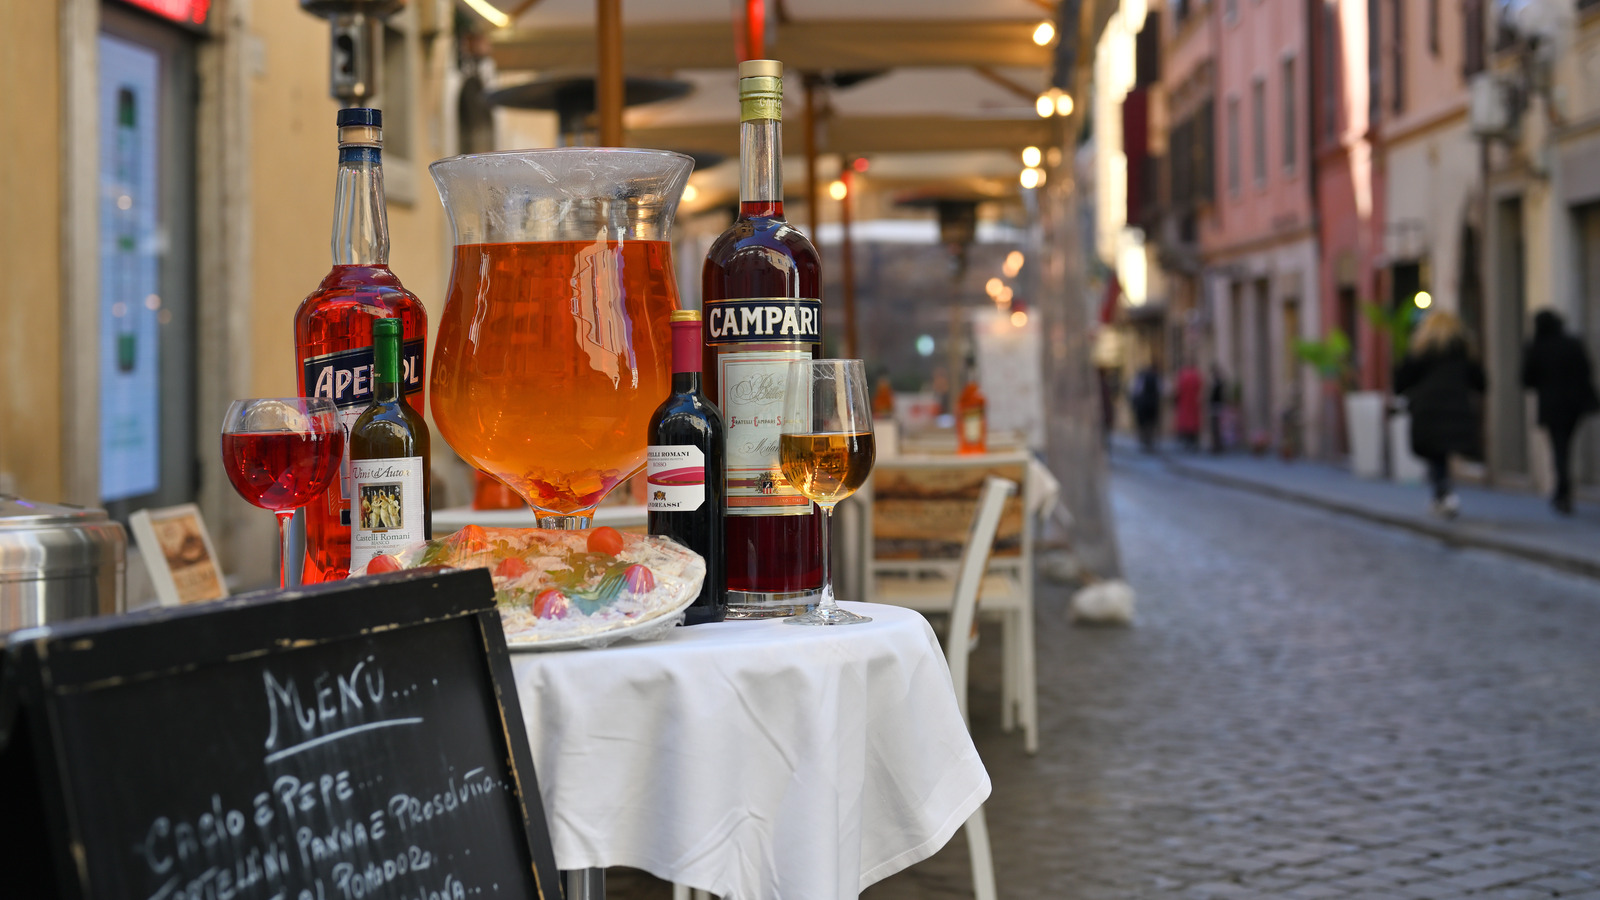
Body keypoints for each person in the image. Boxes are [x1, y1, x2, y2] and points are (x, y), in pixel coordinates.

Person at [1394, 310, 1486, 518]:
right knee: (1441, 453)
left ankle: (1442, 492)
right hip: (1456, 408)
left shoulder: (1421, 350)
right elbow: (1480, 381)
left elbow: (1402, 380)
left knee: (1436, 454)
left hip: (1427, 410)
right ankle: (1442, 493)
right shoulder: (1463, 351)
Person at [1521, 309, 1600, 515]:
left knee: (1559, 448)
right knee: (1565, 446)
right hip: (1573, 405)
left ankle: (1562, 491)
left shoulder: (1537, 347)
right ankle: (1563, 490)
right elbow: (1586, 370)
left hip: (1553, 406)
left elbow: (1527, 379)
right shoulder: (1572, 344)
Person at [1129, 363, 1162, 451]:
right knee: (1151, 423)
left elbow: (1136, 390)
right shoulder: (1156, 378)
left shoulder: (1141, 378)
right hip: (1153, 403)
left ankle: (1145, 439)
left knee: (1143, 423)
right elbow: (1161, 390)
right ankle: (1149, 440)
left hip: (1143, 404)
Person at [1173, 362, 1204, 451]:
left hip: (1185, 403)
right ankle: (1193, 441)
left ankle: (1187, 441)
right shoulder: (1196, 375)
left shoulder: (1183, 376)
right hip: (1193, 404)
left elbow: (1178, 390)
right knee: (1193, 423)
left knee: (1186, 423)